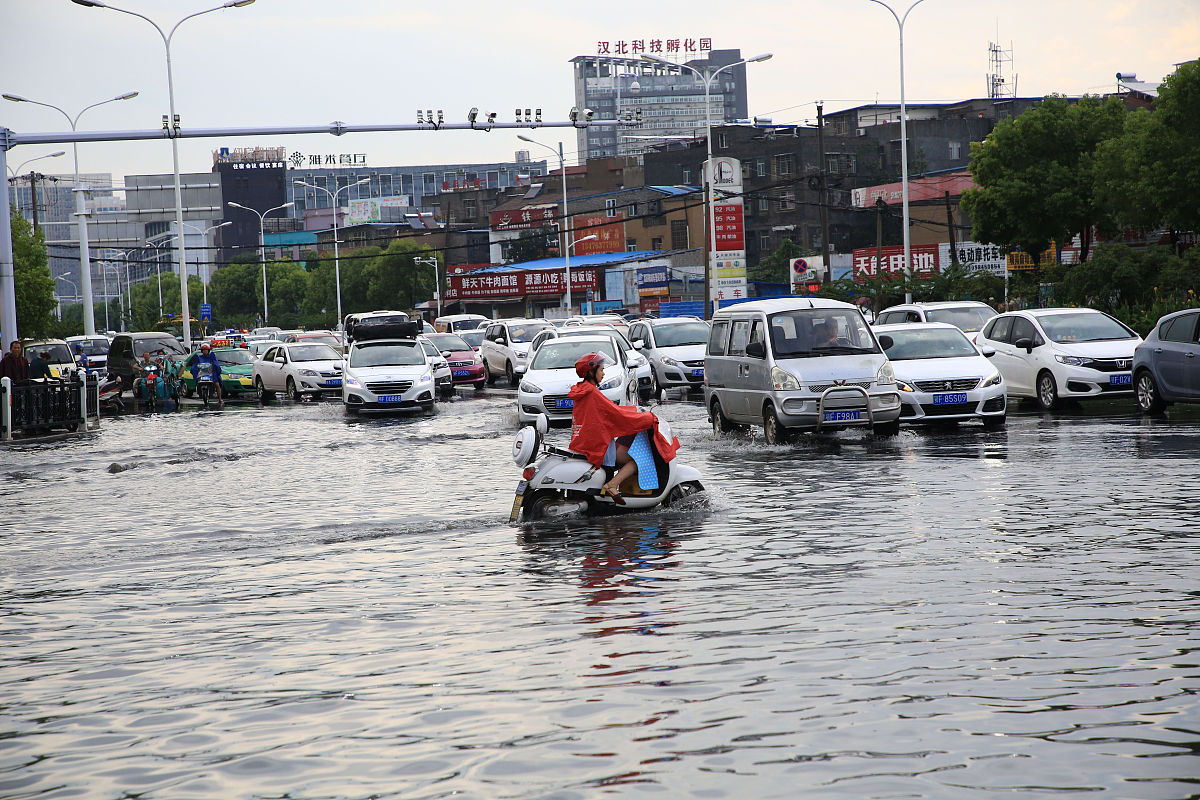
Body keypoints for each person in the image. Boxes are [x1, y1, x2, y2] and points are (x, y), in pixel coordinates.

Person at [567, 352, 679, 498]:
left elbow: (608, 411)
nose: (604, 373)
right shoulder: (592, 393)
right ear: (591, 372)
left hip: (584, 443)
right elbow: (616, 414)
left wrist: (635, 411)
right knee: (637, 460)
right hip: (598, 446)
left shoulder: (581, 390)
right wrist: (646, 418)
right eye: (601, 370)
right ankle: (612, 485)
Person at [189, 342, 224, 406]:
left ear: (208, 350)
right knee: (197, 383)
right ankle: (199, 393)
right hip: (201, 375)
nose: (205, 351)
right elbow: (195, 366)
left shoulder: (211, 357)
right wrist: (194, 372)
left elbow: (216, 365)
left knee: (217, 384)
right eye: (204, 350)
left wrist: (217, 371)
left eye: (206, 350)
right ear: (202, 351)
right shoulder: (199, 358)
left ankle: (220, 399)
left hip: (211, 374)